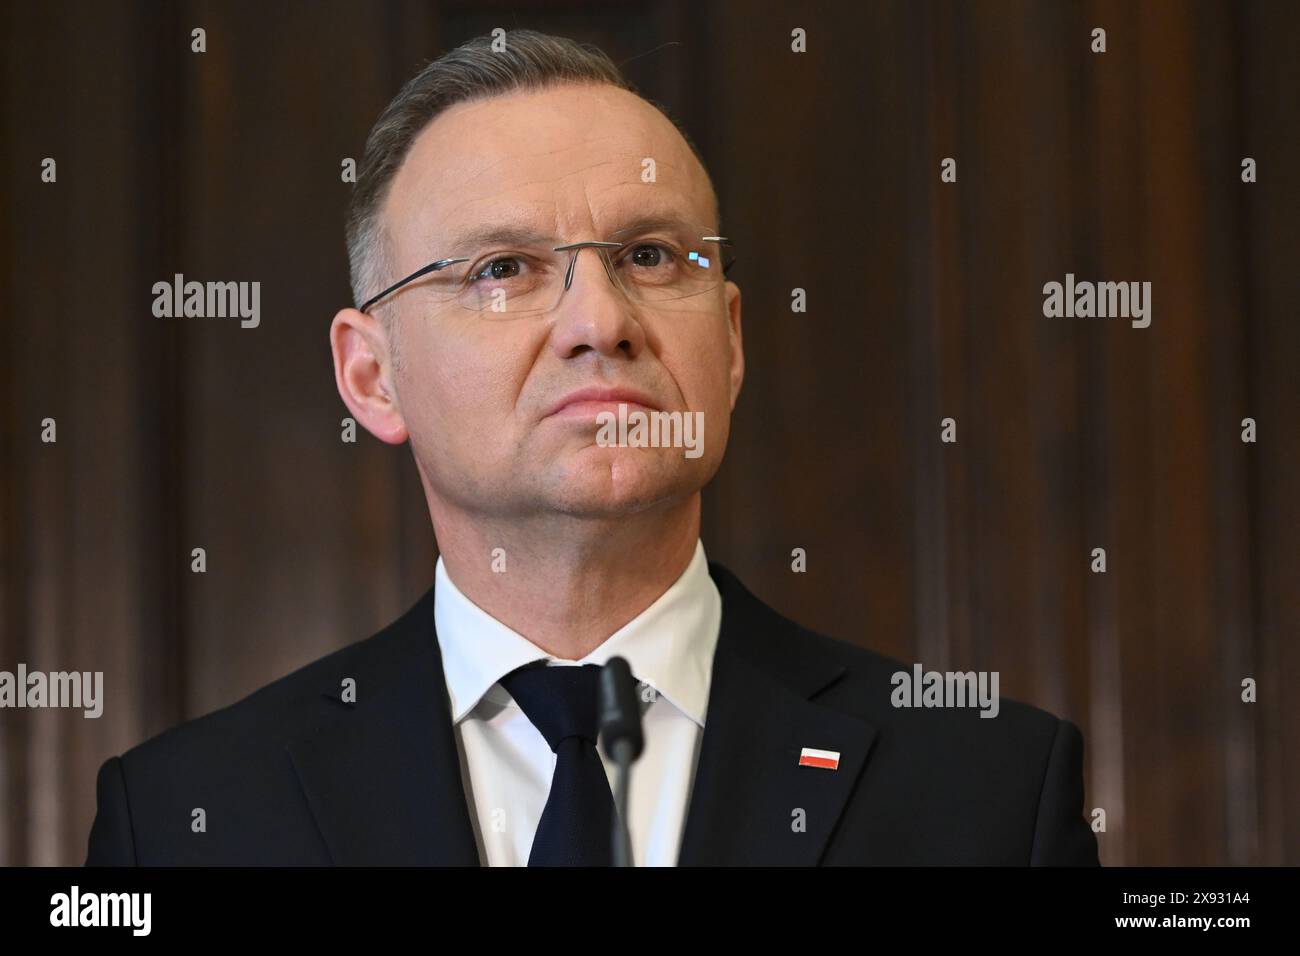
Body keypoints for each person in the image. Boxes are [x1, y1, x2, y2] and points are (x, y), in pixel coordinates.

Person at [86, 29, 1099, 866]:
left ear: (731, 340)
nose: (599, 320)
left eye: (651, 256)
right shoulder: (184, 817)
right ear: (370, 376)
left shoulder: (989, 789)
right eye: (503, 267)